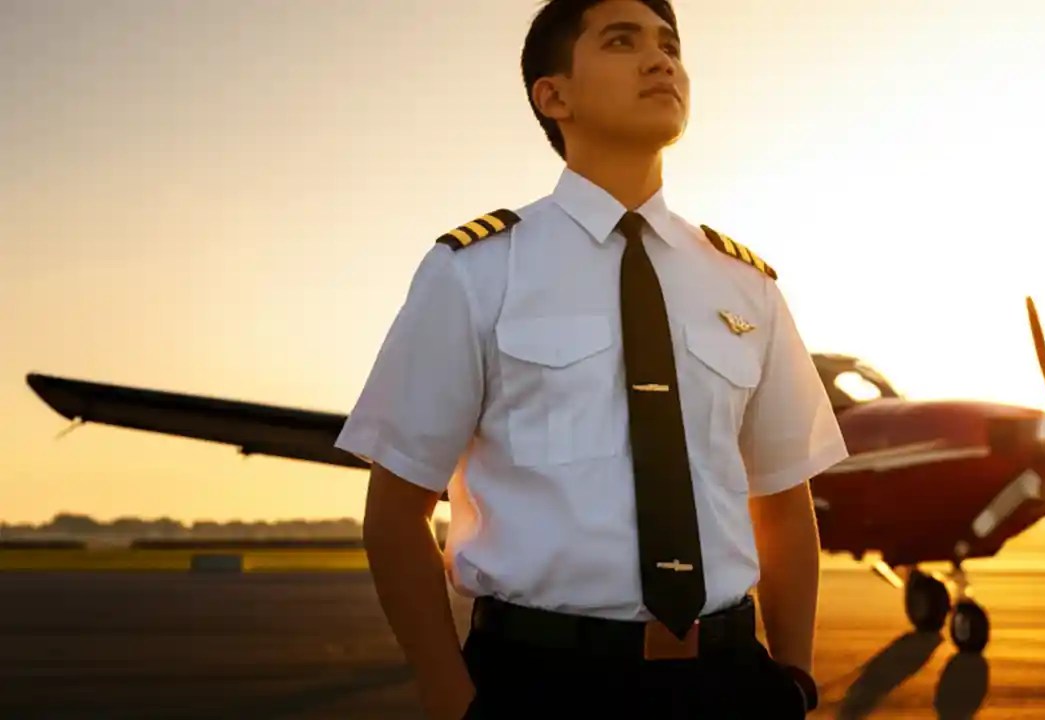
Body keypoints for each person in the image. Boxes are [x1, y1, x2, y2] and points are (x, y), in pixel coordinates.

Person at [334, 0, 849, 717]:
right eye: (621, 40)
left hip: (730, 681)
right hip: (540, 683)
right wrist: (457, 702)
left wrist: (793, 683)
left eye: (670, 44)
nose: (660, 58)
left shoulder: (746, 285)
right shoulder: (476, 270)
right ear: (554, 95)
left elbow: (783, 502)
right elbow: (395, 513)